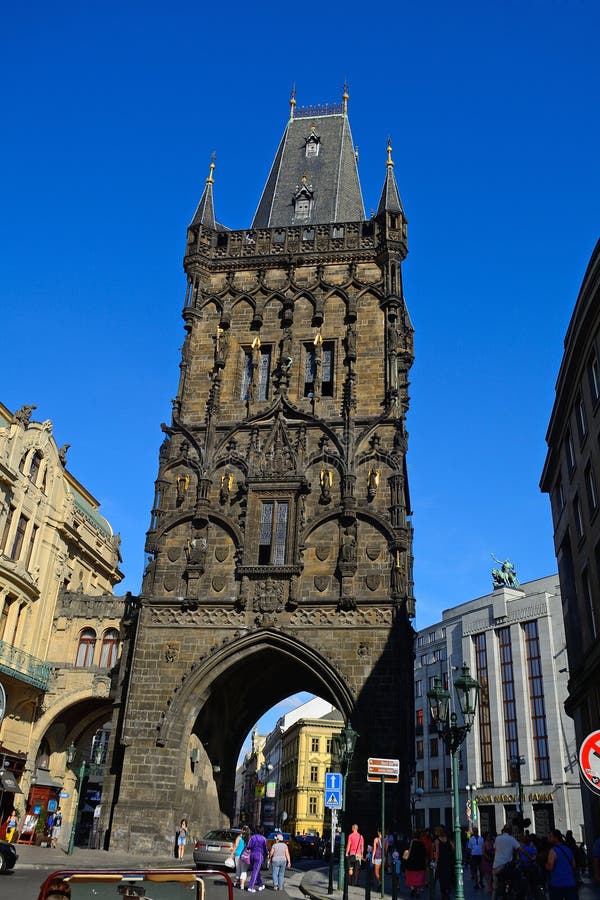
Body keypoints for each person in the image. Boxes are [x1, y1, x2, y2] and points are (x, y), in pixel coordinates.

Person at [546, 829, 577, 900]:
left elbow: (550, 867)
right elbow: (574, 865)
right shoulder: (568, 849)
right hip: (570, 883)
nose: (549, 838)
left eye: (551, 837)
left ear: (555, 838)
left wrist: (545, 865)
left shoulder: (553, 851)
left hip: (557, 883)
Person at [492, 825, 520, 899]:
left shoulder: (497, 838)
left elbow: (495, 850)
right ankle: (514, 891)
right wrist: (530, 857)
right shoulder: (511, 839)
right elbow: (520, 849)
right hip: (505, 867)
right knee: (515, 877)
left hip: (496, 866)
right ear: (510, 831)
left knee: (495, 888)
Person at [404, 829, 428, 898]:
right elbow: (425, 855)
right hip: (420, 864)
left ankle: (412, 889)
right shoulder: (422, 844)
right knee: (419, 879)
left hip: (410, 863)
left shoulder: (410, 843)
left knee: (411, 877)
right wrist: (426, 863)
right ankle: (418, 891)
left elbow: (405, 852)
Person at [432, 825, 454, 900]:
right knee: (447, 877)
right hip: (448, 860)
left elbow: (437, 852)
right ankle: (447, 892)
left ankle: (444, 894)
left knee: (441, 878)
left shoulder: (437, 840)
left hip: (441, 861)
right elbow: (453, 847)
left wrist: (435, 862)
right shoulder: (448, 839)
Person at [246, 825, 268, 892]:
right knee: (255, 871)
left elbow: (248, 846)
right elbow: (265, 849)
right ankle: (251, 887)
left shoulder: (252, 837)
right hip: (259, 855)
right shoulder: (263, 839)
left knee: (256, 870)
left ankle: (260, 885)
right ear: (262, 832)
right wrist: (267, 854)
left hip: (252, 855)